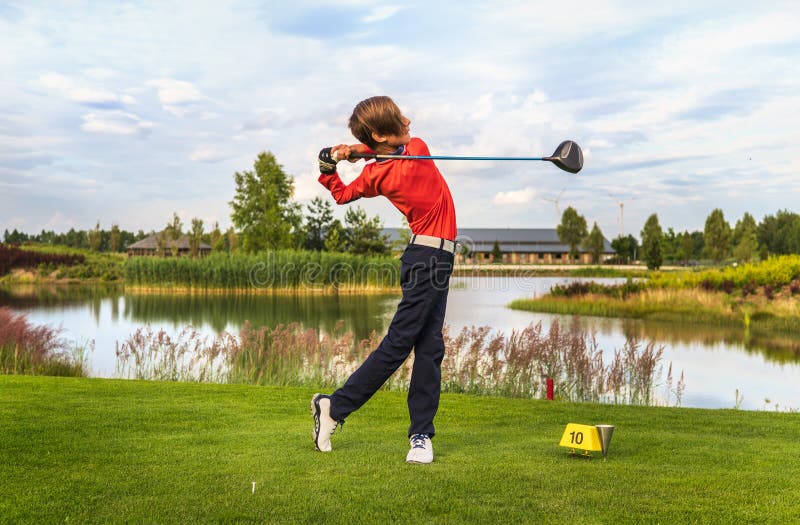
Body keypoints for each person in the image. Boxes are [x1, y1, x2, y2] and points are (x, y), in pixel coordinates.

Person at [311, 95, 457, 464]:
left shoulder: (376, 172)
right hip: (428, 259)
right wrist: (351, 153)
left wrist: (334, 162)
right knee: (399, 344)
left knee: (429, 349)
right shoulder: (416, 148)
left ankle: (420, 435)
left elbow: (341, 194)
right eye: (398, 119)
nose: (408, 120)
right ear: (380, 133)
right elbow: (389, 149)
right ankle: (335, 406)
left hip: (434, 258)